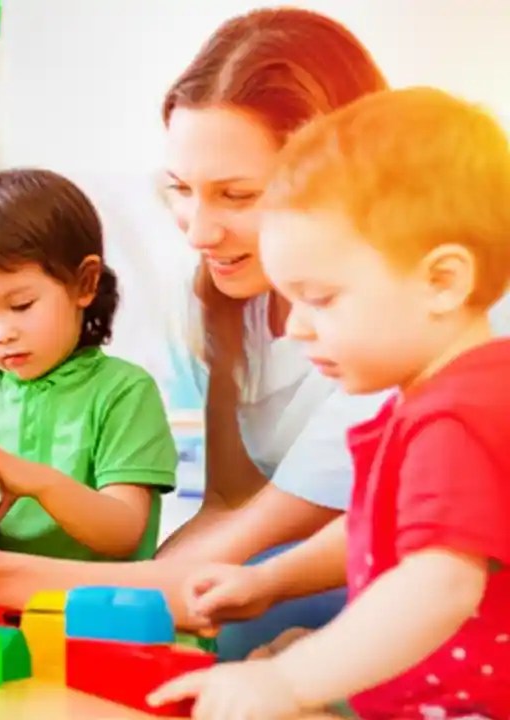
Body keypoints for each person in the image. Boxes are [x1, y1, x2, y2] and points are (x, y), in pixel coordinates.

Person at [0, 7, 434, 658]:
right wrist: (124, 602)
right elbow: (227, 505)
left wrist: (12, 579)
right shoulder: (210, 299)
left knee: (235, 612)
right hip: (284, 569)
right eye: (183, 190)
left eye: (237, 195)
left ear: (341, 178)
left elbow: (278, 538)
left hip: (385, 585)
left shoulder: (395, 324)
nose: (198, 231)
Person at [149, 87, 510, 719]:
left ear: (442, 281)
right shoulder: (437, 400)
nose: (295, 328)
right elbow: (385, 529)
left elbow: (440, 582)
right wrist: (270, 580)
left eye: (321, 298)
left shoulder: (456, 418)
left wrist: (286, 682)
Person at [0, 168, 178, 561]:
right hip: (2, 605)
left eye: (21, 306)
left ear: (85, 283)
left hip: (98, 607)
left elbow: (124, 531)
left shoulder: (124, 393)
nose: (1, 333)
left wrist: (40, 484)